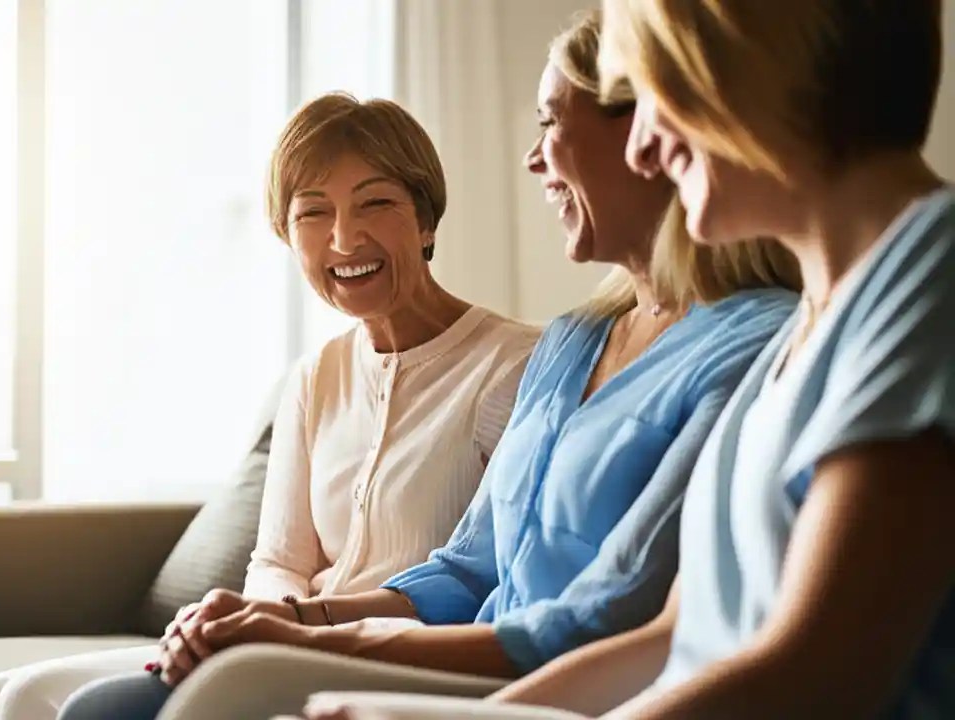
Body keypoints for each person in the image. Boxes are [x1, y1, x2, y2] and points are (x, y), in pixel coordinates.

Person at [55, 10, 801, 720]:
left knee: (114, 709)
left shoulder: (750, 344)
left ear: (651, 133)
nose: (532, 156)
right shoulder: (574, 338)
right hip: (455, 660)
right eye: (312, 213)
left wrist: (314, 639)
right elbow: (469, 569)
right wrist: (285, 616)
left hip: (529, 686)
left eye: (549, 120)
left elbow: (616, 611)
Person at [316, 1, 955, 718]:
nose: (646, 150)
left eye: (658, 97)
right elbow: (670, 639)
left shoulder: (930, 280)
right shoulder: (809, 328)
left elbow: (816, 674)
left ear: (747, 73)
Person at [0, 93, 541, 720]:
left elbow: (495, 577)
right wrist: (258, 624)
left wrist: (284, 633)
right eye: (313, 213)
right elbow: (279, 561)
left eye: (375, 203)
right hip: (288, 642)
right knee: (10, 695)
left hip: (393, 658)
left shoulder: (513, 367)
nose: (345, 238)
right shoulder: (317, 377)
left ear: (426, 221)